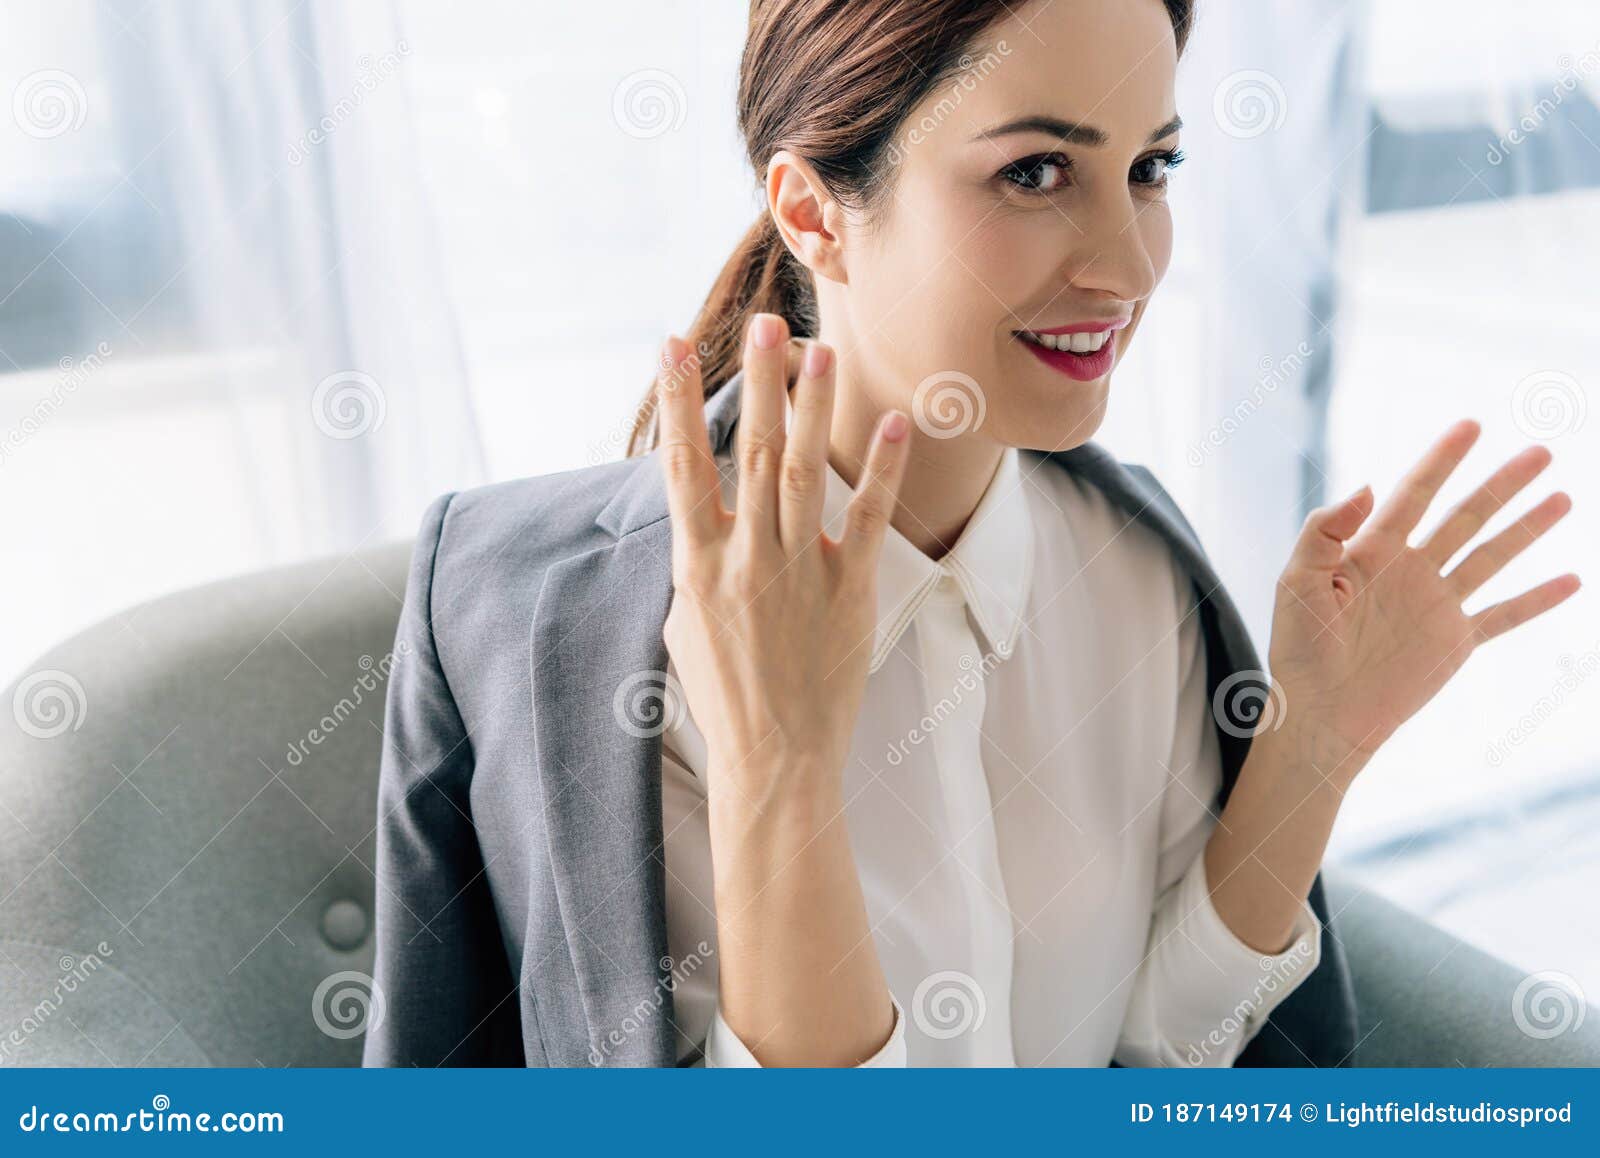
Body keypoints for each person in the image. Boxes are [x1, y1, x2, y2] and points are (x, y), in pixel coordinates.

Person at [363, 0, 1578, 1067]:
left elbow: (1156, 1060)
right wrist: (781, 773)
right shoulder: (557, 627)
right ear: (813, 211)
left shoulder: (1139, 568)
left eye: (1150, 169)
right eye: (1037, 172)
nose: (1125, 267)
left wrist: (1315, 741)